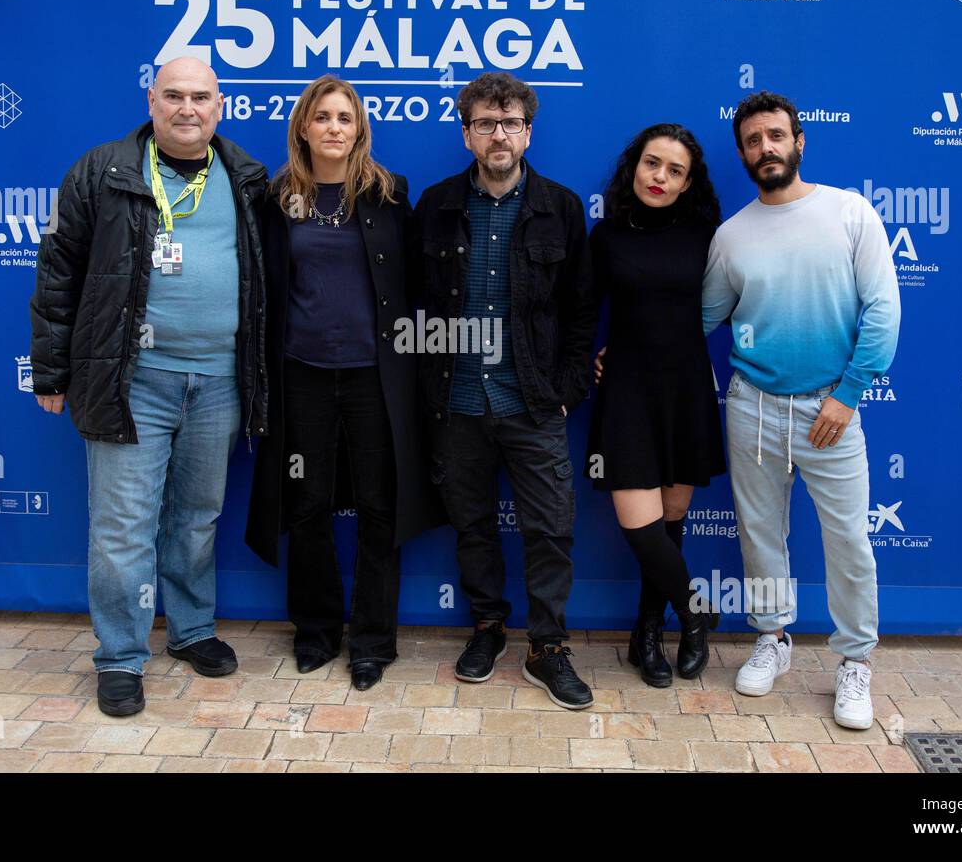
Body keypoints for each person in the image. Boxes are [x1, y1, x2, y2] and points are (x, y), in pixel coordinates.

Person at [29, 57, 269, 717]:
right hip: (130, 378)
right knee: (122, 527)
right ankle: (120, 657)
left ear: (221, 105)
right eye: (174, 96)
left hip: (219, 379)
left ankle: (191, 631)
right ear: (151, 99)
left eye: (201, 96)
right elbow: (59, 273)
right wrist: (50, 370)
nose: (188, 108)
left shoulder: (248, 179)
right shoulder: (102, 171)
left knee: (196, 518)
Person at [702, 90, 900, 730]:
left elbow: (883, 312)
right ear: (742, 153)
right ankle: (772, 638)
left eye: (776, 137)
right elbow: (699, 319)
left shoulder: (849, 212)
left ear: (798, 141)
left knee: (849, 542)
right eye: (754, 141)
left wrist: (848, 396)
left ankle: (855, 661)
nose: (766, 149)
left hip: (830, 411)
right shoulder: (731, 235)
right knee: (760, 535)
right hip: (752, 407)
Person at [410, 72, 598, 710]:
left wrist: (568, 388)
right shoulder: (435, 206)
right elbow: (413, 304)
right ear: (466, 134)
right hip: (457, 401)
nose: (499, 134)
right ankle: (487, 629)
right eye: (486, 123)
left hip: (534, 403)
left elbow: (580, 313)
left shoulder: (562, 208)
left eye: (510, 122)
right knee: (473, 526)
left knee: (550, 529)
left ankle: (547, 647)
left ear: (527, 132)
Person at [245, 75, 440, 690]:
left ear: (359, 129)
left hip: (374, 380)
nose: (334, 127)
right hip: (301, 375)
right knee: (306, 504)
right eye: (322, 116)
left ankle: (374, 642)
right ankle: (317, 630)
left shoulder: (388, 196)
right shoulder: (278, 200)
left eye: (345, 118)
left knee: (382, 508)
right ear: (304, 126)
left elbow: (415, 291)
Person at [584, 124, 726, 688]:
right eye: (652, 164)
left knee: (669, 527)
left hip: (686, 390)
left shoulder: (709, 236)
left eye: (674, 171)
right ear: (634, 166)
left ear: (689, 183)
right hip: (626, 392)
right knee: (641, 529)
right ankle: (696, 615)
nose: (660, 177)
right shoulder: (606, 236)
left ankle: (647, 632)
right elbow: (578, 313)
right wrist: (589, 357)